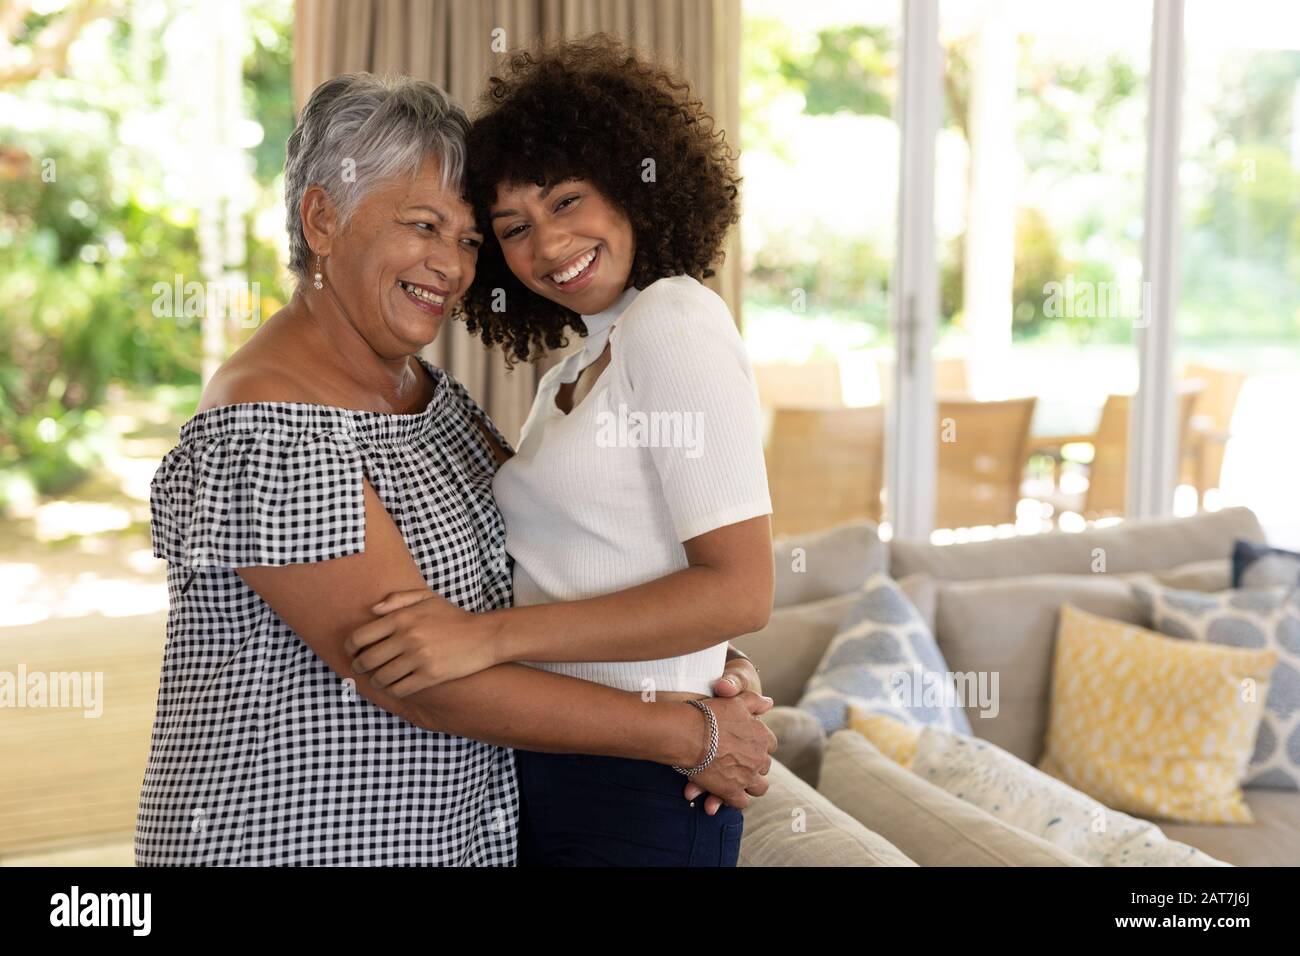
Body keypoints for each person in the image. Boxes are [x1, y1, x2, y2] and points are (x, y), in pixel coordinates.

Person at [136, 71, 774, 867]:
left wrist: (701, 658)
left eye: (469, 239)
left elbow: (560, 561)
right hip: (303, 843)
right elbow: (415, 674)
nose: (452, 265)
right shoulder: (269, 428)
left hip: (457, 837)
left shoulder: (433, 397)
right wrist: (686, 729)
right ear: (323, 218)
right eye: (424, 226)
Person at [350, 38, 774, 866]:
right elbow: (619, 557)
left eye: (568, 200)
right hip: (555, 761)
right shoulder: (574, 372)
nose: (547, 245)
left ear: (632, 184)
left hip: (645, 783)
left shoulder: (672, 320)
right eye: (513, 228)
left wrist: (490, 637)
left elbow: (741, 587)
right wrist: (713, 658)